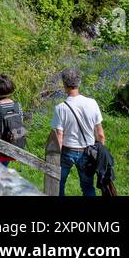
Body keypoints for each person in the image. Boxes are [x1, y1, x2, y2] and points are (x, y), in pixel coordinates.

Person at [51, 67, 105, 197]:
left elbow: (59, 137)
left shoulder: (60, 108)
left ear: (64, 84)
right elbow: (100, 134)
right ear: (79, 82)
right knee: (87, 186)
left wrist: (54, 158)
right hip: (87, 151)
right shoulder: (92, 103)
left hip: (67, 151)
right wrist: (100, 153)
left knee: (59, 183)